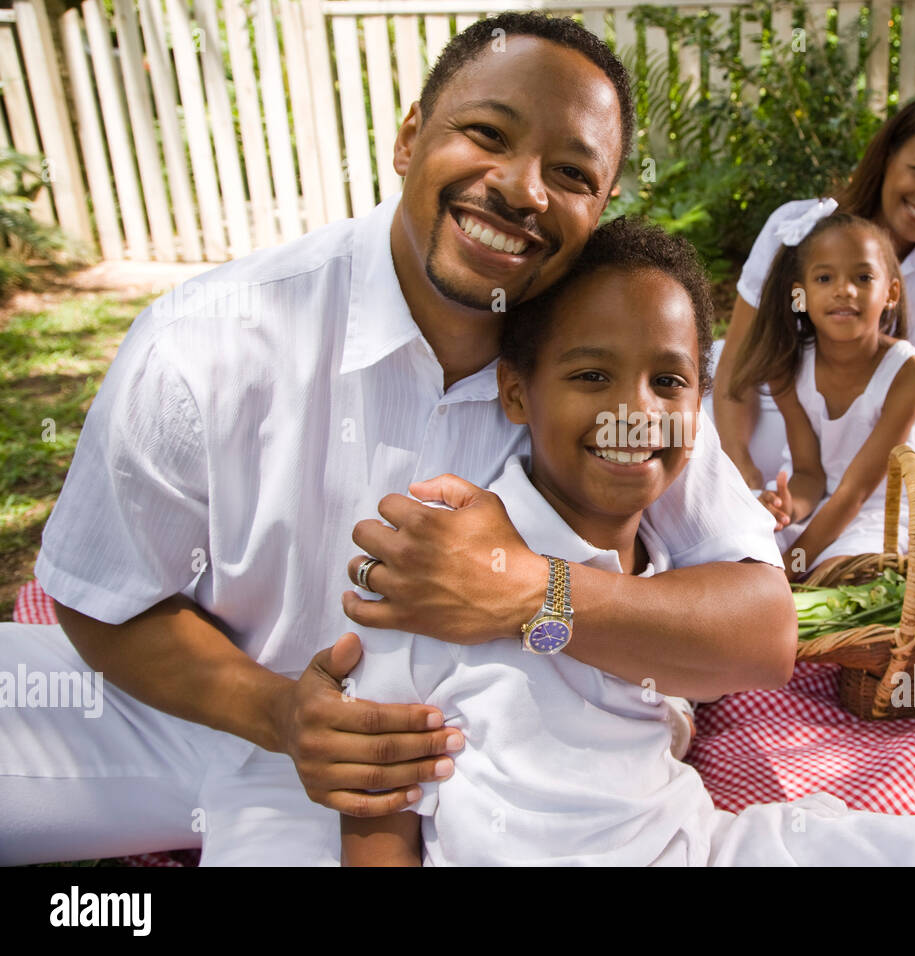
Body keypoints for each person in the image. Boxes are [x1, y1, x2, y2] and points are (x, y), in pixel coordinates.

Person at [0, 13, 796, 866]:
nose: (524, 189)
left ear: (600, 208)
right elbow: (100, 593)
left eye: (571, 172)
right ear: (410, 136)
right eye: (487, 133)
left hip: (438, 764)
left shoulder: (600, 364)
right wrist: (277, 713)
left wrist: (535, 593)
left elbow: (760, 633)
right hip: (188, 709)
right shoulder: (204, 342)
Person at [339, 217, 915, 866]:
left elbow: (763, 638)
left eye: (669, 381)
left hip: (699, 847)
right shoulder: (427, 570)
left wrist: (537, 598)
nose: (636, 413)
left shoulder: (664, 552)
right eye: (591, 377)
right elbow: (378, 818)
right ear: (517, 392)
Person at [712, 97, 915, 491]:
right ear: (888, 157)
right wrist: (740, 467)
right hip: (749, 417)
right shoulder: (796, 226)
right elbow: (737, 366)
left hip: (854, 452)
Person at [727, 210, 915, 577]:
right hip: (820, 500)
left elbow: (855, 493)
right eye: (825, 278)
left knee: (838, 575)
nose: (844, 290)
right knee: (740, 550)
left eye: (863, 277)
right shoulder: (790, 366)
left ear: (890, 292)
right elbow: (809, 473)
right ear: (802, 294)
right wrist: (788, 508)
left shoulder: (908, 373)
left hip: (885, 508)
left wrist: (791, 569)